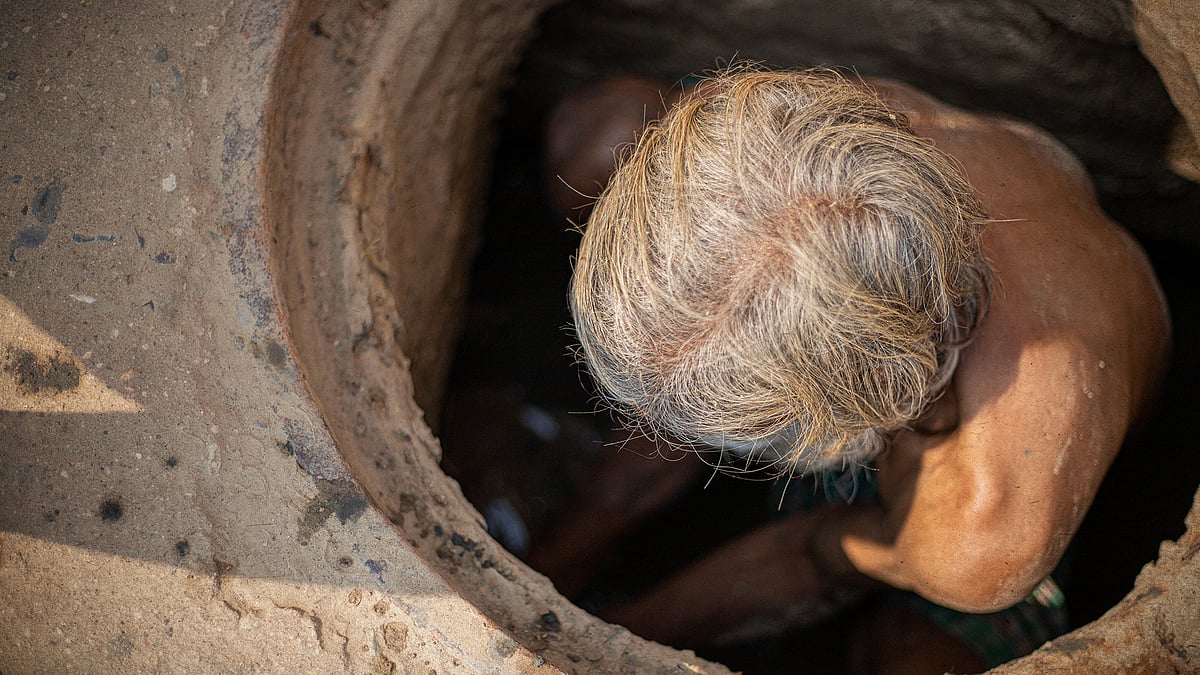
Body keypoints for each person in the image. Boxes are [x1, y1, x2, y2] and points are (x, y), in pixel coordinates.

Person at [529, 66, 1170, 673]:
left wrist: (615, 637)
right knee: (600, 136)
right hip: (890, 320)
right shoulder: (823, 128)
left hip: (1022, 479)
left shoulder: (983, 527)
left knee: (910, 656)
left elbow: (821, 554)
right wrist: (547, 599)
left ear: (843, 432)